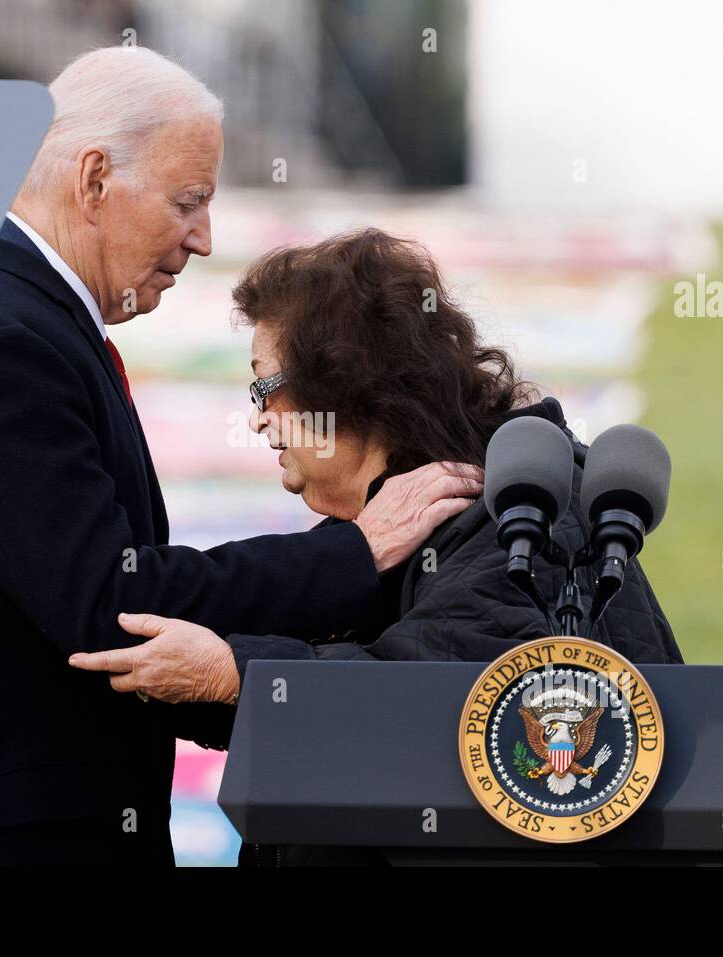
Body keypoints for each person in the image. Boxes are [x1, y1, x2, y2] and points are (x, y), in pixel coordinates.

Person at [0, 50, 480, 867]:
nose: (203, 238)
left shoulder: (18, 314)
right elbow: (112, 604)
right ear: (93, 179)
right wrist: (353, 552)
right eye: (188, 202)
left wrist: (244, 676)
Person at [69, 228, 683, 863]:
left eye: (266, 388)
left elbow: (443, 706)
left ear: (343, 385)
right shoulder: (411, 518)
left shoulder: (523, 512)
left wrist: (234, 675)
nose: (257, 418)